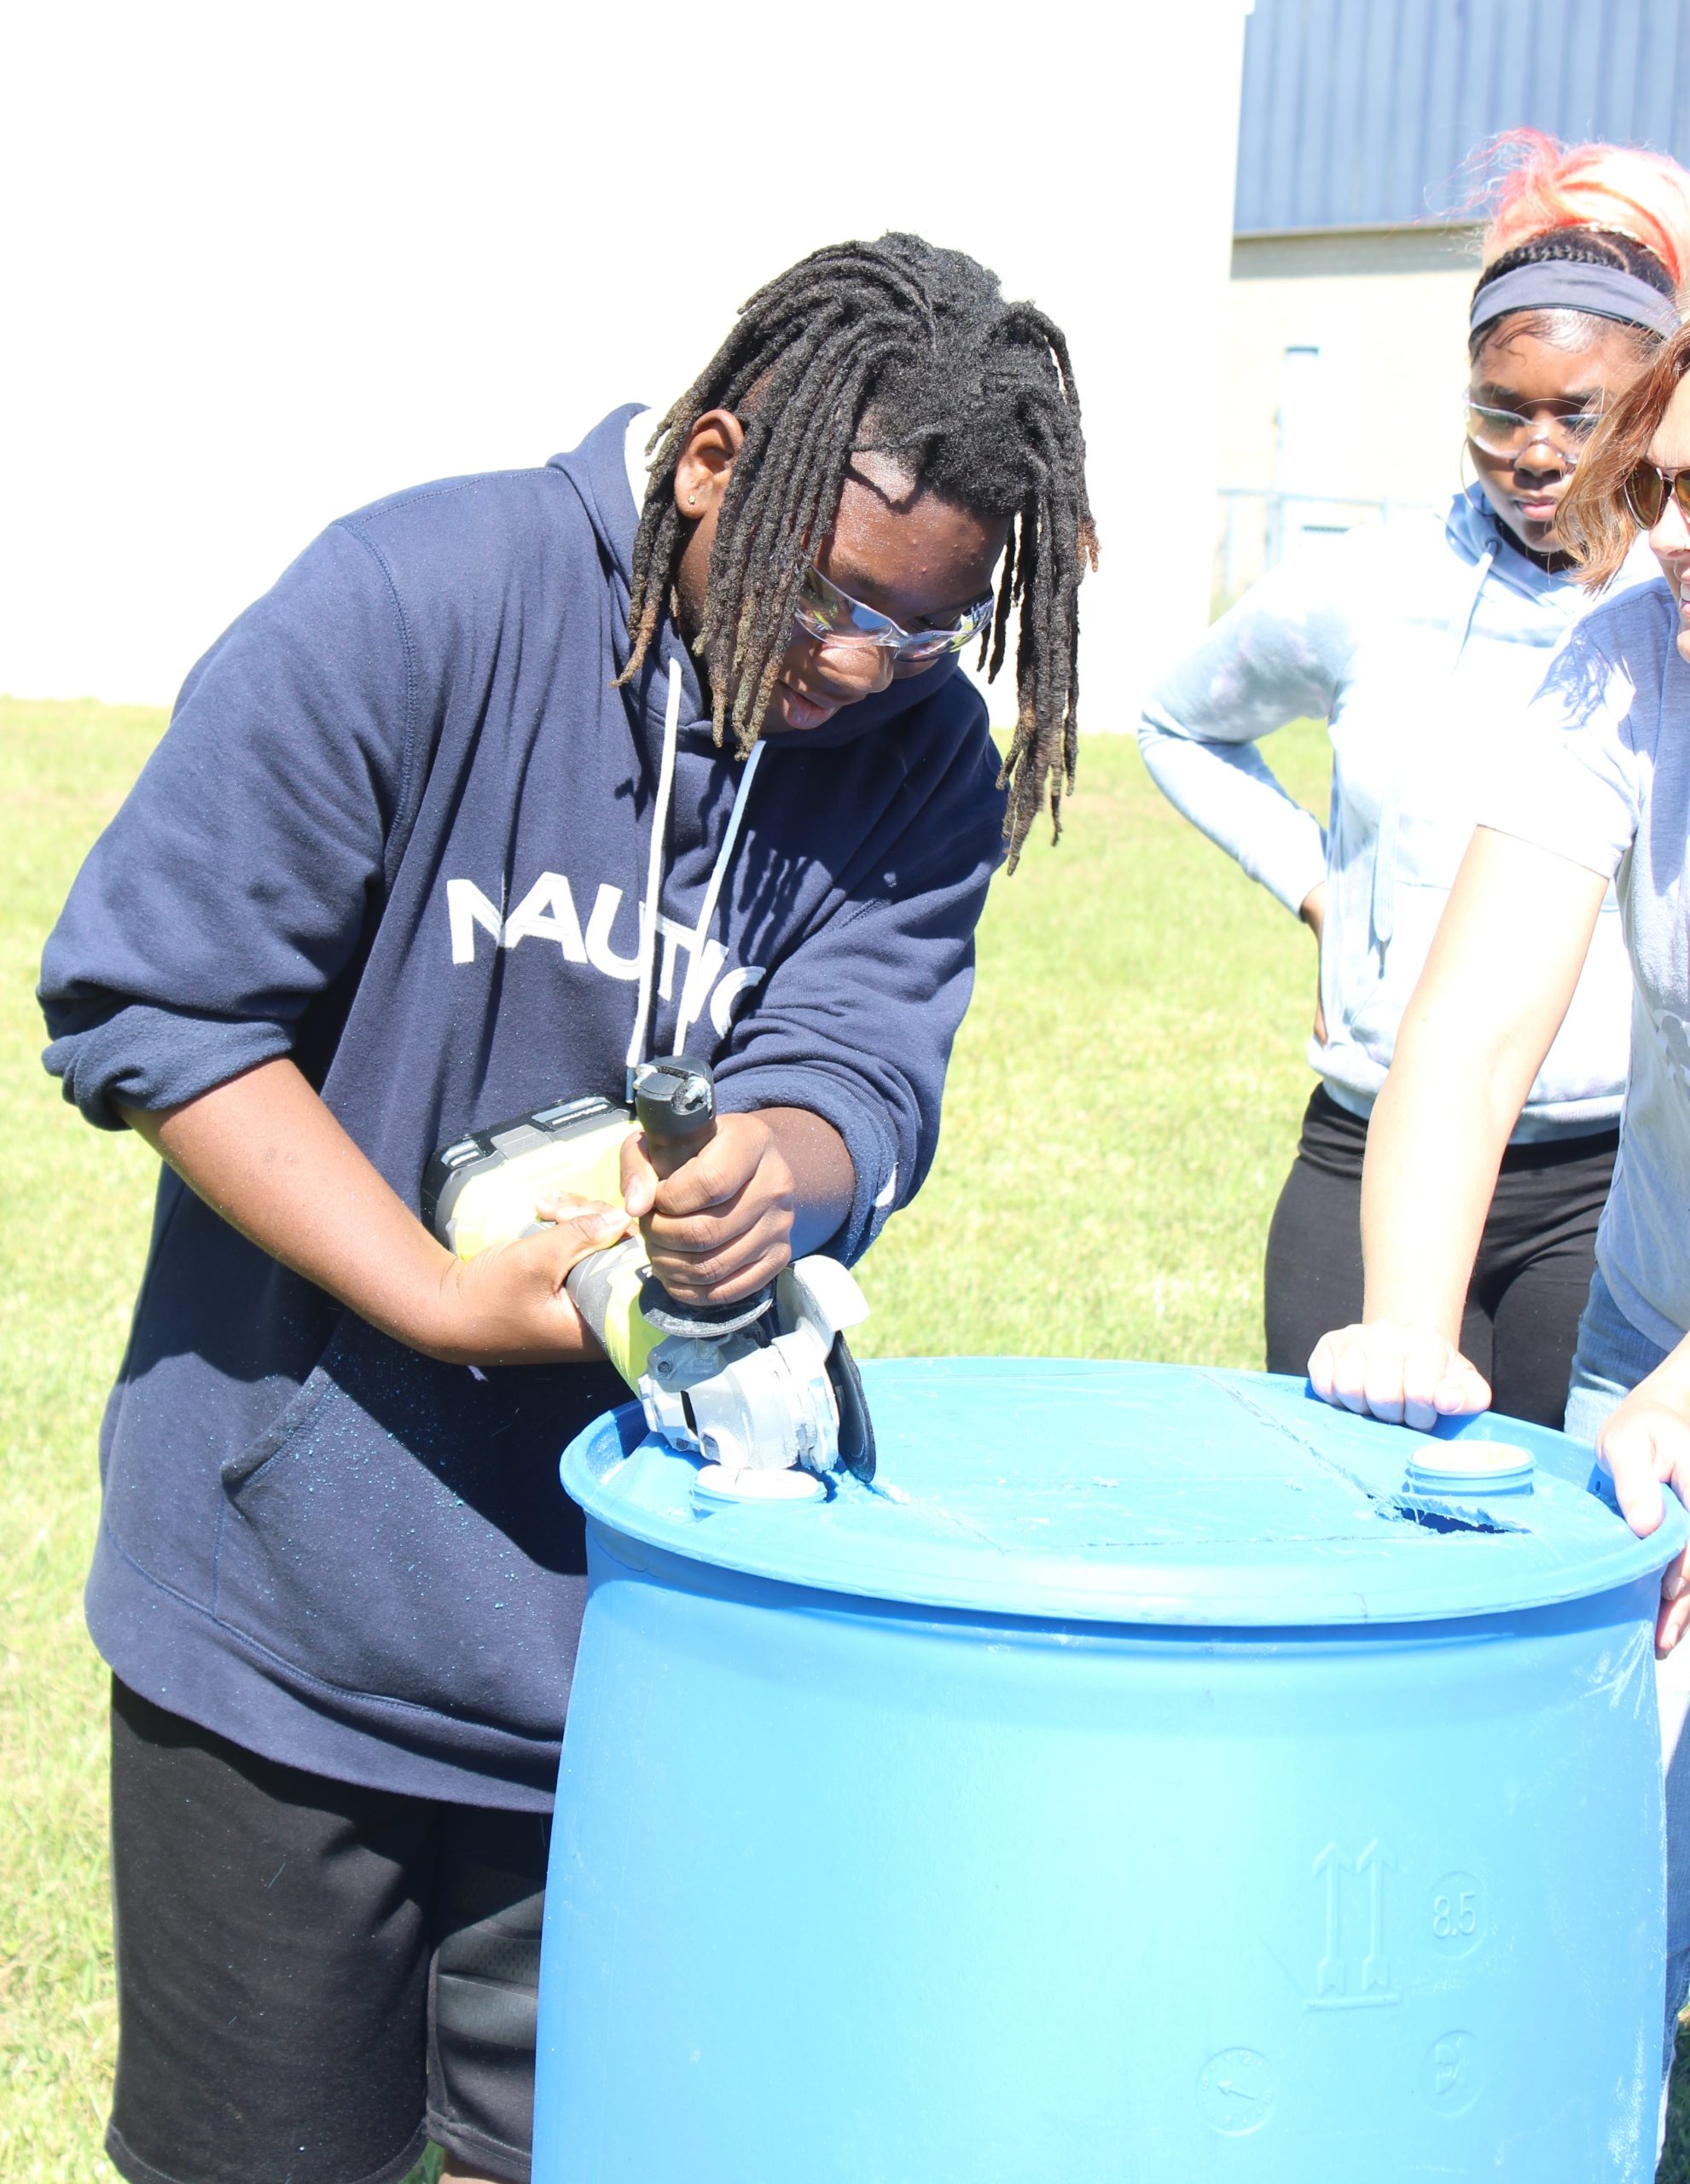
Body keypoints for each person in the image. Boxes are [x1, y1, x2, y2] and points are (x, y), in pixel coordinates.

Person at [38, 233, 1094, 2184]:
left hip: (653, 1640)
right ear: (713, 462)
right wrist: (434, 1297)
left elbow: (861, 1065)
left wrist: (773, 1177)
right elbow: (160, 1004)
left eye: (925, 629)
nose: (860, 665)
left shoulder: (914, 744)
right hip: (285, 1627)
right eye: (832, 599)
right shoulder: (417, 596)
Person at [1139, 134, 1690, 1424]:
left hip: (1600, 1172)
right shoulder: (1619, 648)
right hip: (1415, 1158)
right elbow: (1471, 1031)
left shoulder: (1632, 599)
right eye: (1502, 409)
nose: (1538, 452)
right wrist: (1324, 891)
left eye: (1585, 419)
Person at [1304, 311, 1690, 2134]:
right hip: (1648, 1336)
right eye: (1663, 484)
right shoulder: (1632, 656)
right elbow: (1459, 1037)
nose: (1664, 534)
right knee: (1598, 1887)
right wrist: (1406, 1316)